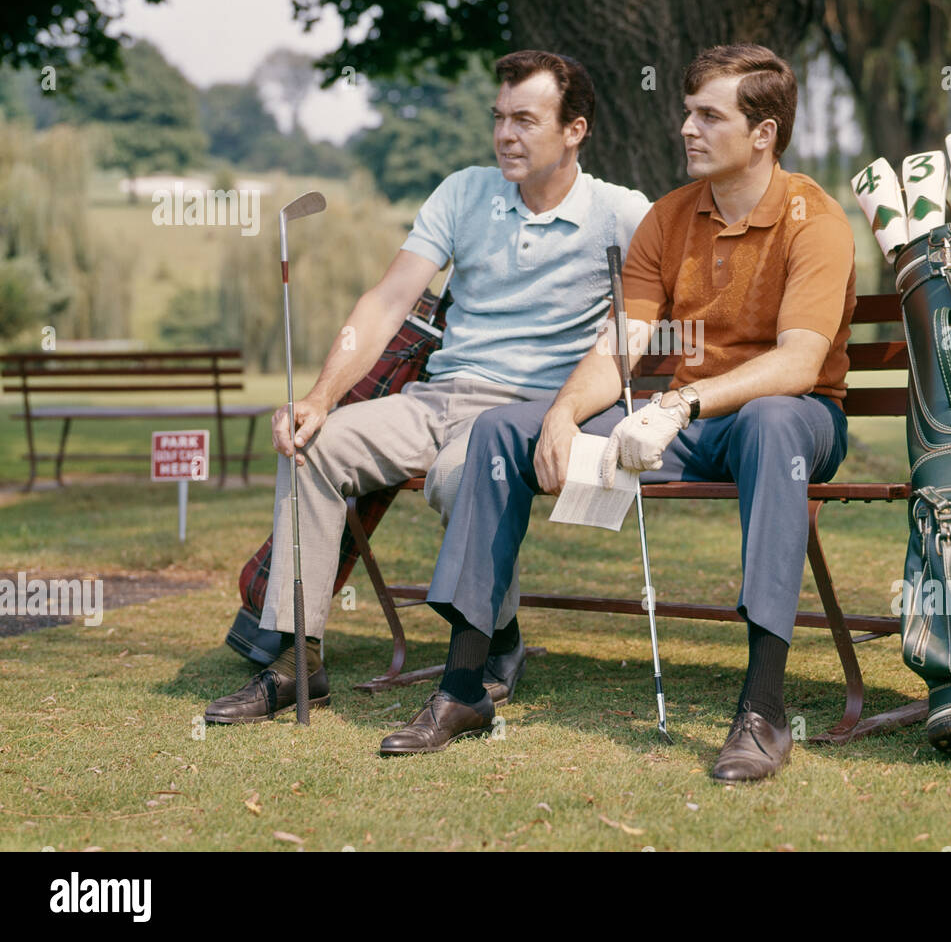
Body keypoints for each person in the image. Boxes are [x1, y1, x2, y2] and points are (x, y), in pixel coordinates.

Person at [381, 43, 856, 783]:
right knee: (506, 429)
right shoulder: (668, 218)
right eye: (687, 112)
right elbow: (618, 347)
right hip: (687, 424)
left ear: (763, 133)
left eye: (709, 116)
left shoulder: (814, 219)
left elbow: (798, 363)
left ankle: (762, 709)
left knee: (769, 420)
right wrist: (565, 414)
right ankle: (464, 687)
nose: (687, 129)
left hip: (795, 422)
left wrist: (677, 402)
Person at [203, 50, 650, 724]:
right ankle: (299, 660)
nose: (505, 134)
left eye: (526, 120)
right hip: (434, 399)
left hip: (522, 416)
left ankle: (496, 642)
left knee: (455, 476)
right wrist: (321, 399)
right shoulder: (463, 192)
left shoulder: (620, 213)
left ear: (575, 130)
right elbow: (386, 302)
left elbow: (673, 292)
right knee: (313, 445)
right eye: (499, 118)